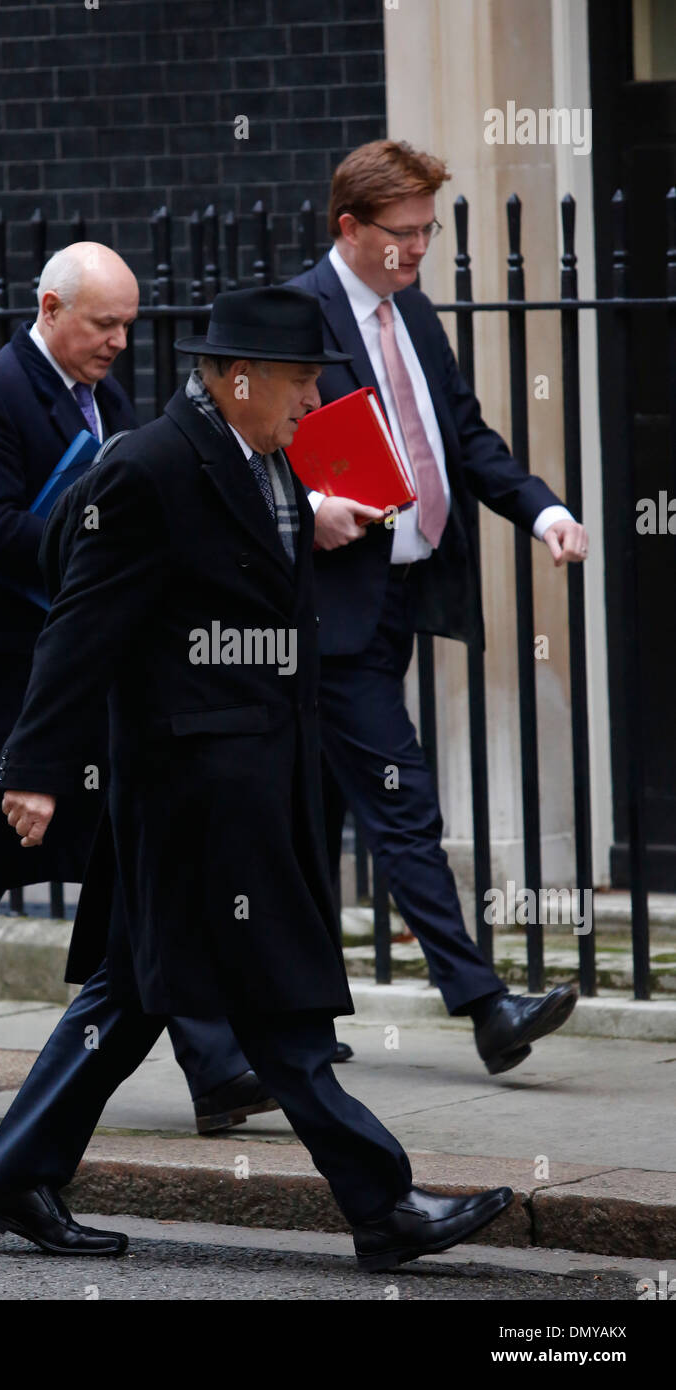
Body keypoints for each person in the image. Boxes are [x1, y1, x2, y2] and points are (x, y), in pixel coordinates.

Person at [0, 286, 513, 1273]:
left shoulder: (263, 462)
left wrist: (318, 521)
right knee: (279, 1011)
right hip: (192, 789)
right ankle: (381, 1203)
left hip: (251, 776)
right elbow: (79, 626)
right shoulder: (151, 467)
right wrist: (35, 768)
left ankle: (12, 1173)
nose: (311, 403)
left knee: (129, 992)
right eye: (299, 381)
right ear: (238, 376)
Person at [0, 243, 272, 1137]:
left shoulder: (111, 402)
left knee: (144, 869)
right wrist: (103, 527)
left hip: (90, 685)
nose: (121, 341)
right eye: (104, 323)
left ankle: (216, 1064)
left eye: (128, 324)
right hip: (1, 689)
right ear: (50, 308)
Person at [289, 141, 585, 1074]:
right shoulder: (298, 312)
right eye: (402, 234)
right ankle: (486, 1006)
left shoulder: (410, 312)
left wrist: (544, 510)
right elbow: (232, 441)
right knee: (402, 802)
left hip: (399, 600)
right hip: (328, 615)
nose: (418, 249)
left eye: (427, 231)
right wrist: (309, 507)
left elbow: (461, 435)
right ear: (350, 228)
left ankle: (288, 1025)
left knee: (317, 817)